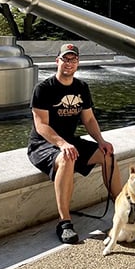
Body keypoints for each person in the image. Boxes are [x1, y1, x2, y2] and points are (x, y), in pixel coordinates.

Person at [27, 43, 122, 244]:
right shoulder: (43, 89)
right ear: (57, 61)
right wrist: (62, 144)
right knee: (67, 158)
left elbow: (88, 120)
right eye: (65, 59)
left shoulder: (82, 87)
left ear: (77, 62)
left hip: (68, 142)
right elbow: (41, 125)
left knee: (108, 155)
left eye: (73, 59)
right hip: (42, 145)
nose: (69, 63)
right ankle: (64, 222)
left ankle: (123, 208)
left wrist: (101, 141)